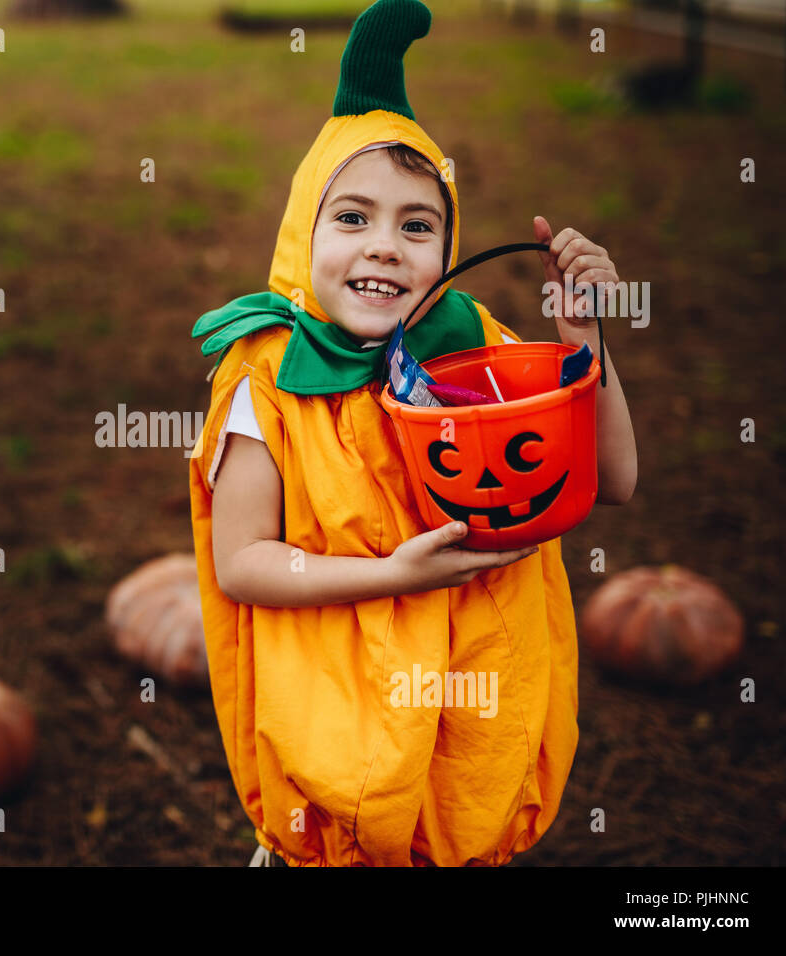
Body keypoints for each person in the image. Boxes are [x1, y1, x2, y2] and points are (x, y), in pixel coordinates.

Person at [187, 0, 637, 867]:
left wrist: (583, 336)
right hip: (337, 741)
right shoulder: (267, 377)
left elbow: (612, 479)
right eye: (352, 218)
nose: (385, 247)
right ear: (301, 233)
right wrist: (394, 574)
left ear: (447, 246)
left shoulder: (477, 351)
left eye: (416, 226)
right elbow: (242, 565)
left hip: (471, 736)